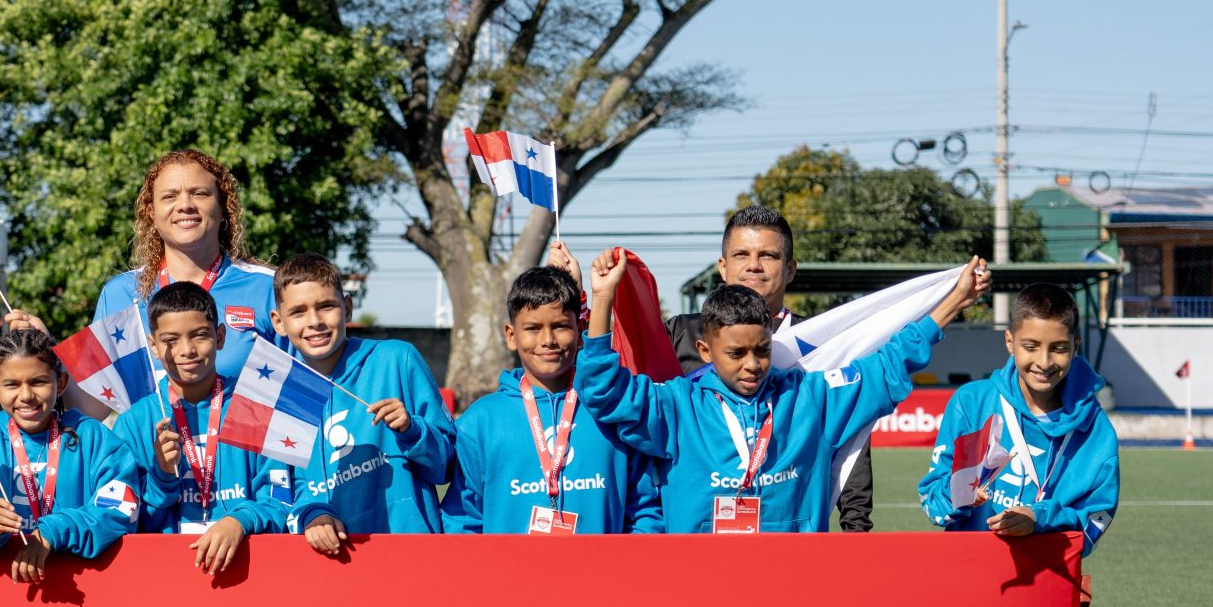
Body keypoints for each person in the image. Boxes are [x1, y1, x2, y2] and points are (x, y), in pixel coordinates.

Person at [578, 249, 989, 534]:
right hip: (699, 585)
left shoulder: (810, 398)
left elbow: (888, 364)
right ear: (704, 350)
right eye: (736, 353)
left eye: (762, 350)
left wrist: (953, 302)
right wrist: (602, 298)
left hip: (794, 583)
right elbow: (603, 389)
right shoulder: (676, 407)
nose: (752, 364)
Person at [7, 149, 280, 411]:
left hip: (243, 446)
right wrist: (47, 352)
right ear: (151, 212)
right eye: (169, 196)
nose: (185, 205)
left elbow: (298, 394)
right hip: (147, 446)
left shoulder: (267, 288)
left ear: (223, 207)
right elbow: (90, 407)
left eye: (199, 193)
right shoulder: (121, 293)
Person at [663, 206, 878, 532]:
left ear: (790, 269)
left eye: (768, 255)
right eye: (741, 254)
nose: (753, 265)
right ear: (723, 267)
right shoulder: (680, 332)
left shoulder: (822, 344)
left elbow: (849, 439)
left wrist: (855, 525)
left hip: (788, 536)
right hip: (697, 536)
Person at [442, 266, 664, 535]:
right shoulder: (481, 422)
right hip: (507, 566)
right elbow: (462, 521)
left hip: (603, 565)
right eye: (533, 328)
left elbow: (644, 511)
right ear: (511, 336)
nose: (548, 340)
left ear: (580, 330)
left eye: (560, 326)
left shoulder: (612, 410)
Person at [272, 253, 454, 553]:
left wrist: (413, 430)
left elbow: (447, 468)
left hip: (411, 553)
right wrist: (311, 514)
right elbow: (283, 489)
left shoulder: (397, 359)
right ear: (278, 322)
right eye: (298, 312)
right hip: (332, 560)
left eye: (326, 306)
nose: (315, 322)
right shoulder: (285, 392)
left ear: (347, 307)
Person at [919, 282, 1119, 549]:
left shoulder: (1095, 429)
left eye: (1059, 348)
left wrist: (1041, 519)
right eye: (1031, 346)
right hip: (969, 565)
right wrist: (959, 494)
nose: (1044, 362)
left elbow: (1095, 521)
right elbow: (932, 501)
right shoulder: (971, 403)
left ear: (1076, 345)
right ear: (1010, 342)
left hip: (1045, 572)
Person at [113, 281, 289, 574]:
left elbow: (281, 500)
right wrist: (162, 476)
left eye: (200, 335)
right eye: (170, 340)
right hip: (165, 575)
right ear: (153, 346)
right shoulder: (133, 423)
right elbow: (122, 521)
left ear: (220, 337)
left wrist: (240, 520)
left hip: (248, 570)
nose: (187, 350)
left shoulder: (258, 407)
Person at [0, 328, 143, 582]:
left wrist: (53, 531)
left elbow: (122, 508)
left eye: (38, 382)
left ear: (60, 383)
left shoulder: (93, 437)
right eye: (12, 384)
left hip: (82, 589)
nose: (26, 396)